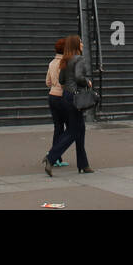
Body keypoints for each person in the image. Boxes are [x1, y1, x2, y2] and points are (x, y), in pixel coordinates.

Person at [43, 34, 93, 175]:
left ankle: (84, 164)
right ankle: (51, 157)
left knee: (80, 129)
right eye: (81, 42)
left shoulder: (66, 59)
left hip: (66, 95)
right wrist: (87, 82)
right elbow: (78, 77)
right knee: (74, 130)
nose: (82, 44)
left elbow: (61, 79)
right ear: (76, 45)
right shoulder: (79, 59)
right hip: (75, 96)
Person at [44, 37, 69, 168]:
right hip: (61, 96)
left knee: (58, 126)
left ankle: (56, 156)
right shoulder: (64, 63)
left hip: (52, 96)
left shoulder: (52, 62)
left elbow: (47, 82)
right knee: (70, 128)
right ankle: (54, 154)